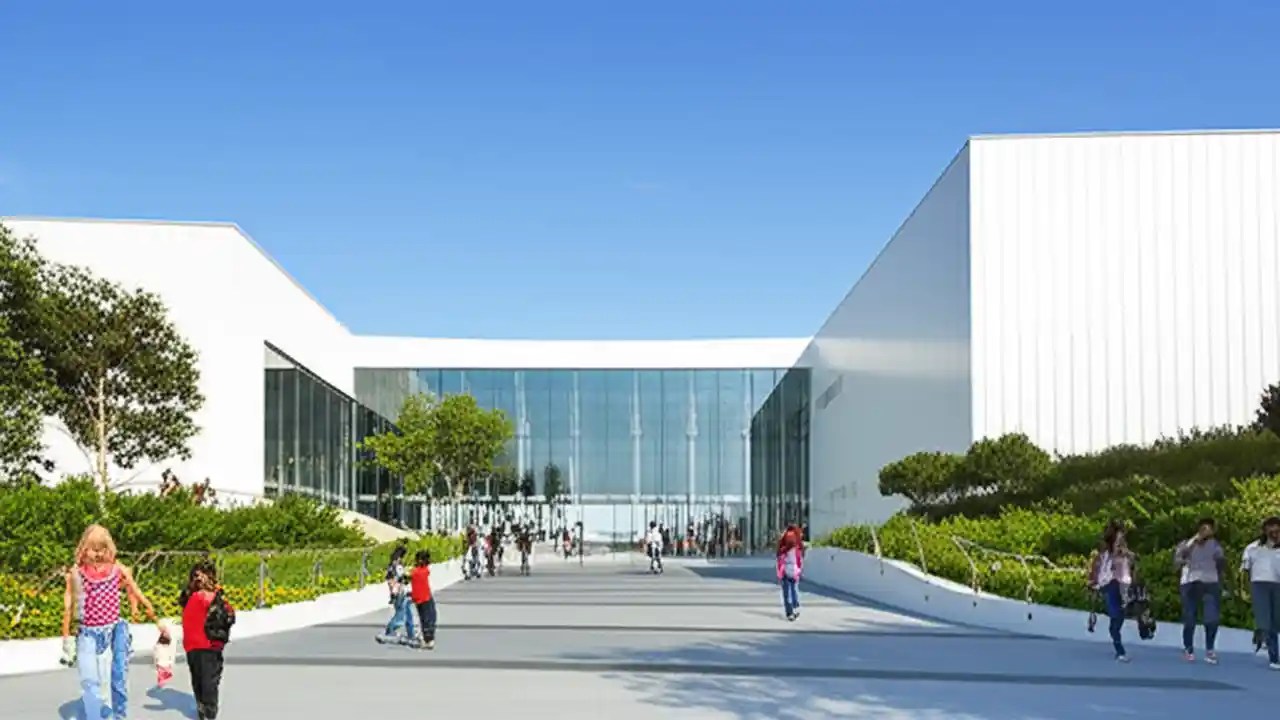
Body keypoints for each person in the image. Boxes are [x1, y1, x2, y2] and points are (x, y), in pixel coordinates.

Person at [60, 524, 168, 720]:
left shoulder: (119, 569)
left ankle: (119, 715)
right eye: (93, 549)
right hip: (87, 631)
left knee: (119, 676)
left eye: (103, 548)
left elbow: (136, 592)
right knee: (89, 680)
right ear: (83, 550)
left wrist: (155, 619)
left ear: (110, 549)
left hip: (115, 629)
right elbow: (68, 605)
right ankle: (94, 716)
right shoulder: (76, 574)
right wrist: (66, 638)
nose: (98, 553)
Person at [178, 559, 233, 720]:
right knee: (197, 681)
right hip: (192, 645)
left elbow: (227, 616)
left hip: (209, 645)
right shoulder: (190, 595)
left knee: (208, 681)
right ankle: (202, 709)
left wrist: (217, 596)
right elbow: (182, 600)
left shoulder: (214, 597)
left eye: (203, 575)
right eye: (196, 575)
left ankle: (209, 713)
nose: (199, 578)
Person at [1174, 517, 1225, 663]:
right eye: (1204, 529)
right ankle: (1188, 648)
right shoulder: (1187, 543)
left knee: (1212, 618)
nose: (1206, 532)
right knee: (1190, 617)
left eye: (1210, 529)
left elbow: (1221, 562)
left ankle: (1210, 649)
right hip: (1190, 582)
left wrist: (1221, 579)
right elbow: (1177, 560)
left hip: (1210, 583)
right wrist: (1194, 542)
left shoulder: (1215, 545)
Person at [1088, 520, 1135, 663]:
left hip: (1124, 586)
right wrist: (1093, 583)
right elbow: (1097, 572)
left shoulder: (1126, 556)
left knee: (1117, 621)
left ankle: (1117, 640)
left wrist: (1127, 556)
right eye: (1118, 541)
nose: (1121, 543)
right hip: (1110, 585)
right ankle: (1120, 651)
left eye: (1122, 540)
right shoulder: (1104, 556)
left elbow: (1132, 567)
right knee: (1115, 617)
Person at [1243, 516, 1280, 670]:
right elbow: (1245, 570)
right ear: (1265, 531)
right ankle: (1273, 656)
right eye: (1271, 530)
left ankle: (1260, 634)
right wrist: (1245, 588)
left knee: (1275, 621)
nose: (1275, 533)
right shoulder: (1253, 548)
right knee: (1264, 616)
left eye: (1277, 531)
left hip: (1277, 585)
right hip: (1259, 584)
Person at [376, 542, 417, 646]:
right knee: (400, 615)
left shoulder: (391, 566)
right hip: (399, 592)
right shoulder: (397, 566)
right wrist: (409, 577)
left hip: (398, 591)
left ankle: (411, 633)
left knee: (406, 613)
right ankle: (389, 630)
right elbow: (400, 578)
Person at [411, 549, 437, 650]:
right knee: (430, 617)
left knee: (425, 618)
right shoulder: (424, 570)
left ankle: (427, 639)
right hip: (425, 597)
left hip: (420, 598)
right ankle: (428, 639)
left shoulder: (416, 571)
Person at [777, 525, 804, 621]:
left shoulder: (784, 548)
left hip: (787, 570)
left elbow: (779, 560)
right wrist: (799, 570)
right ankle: (793, 609)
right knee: (794, 591)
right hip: (793, 571)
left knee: (788, 592)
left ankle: (790, 612)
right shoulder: (797, 548)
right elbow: (800, 561)